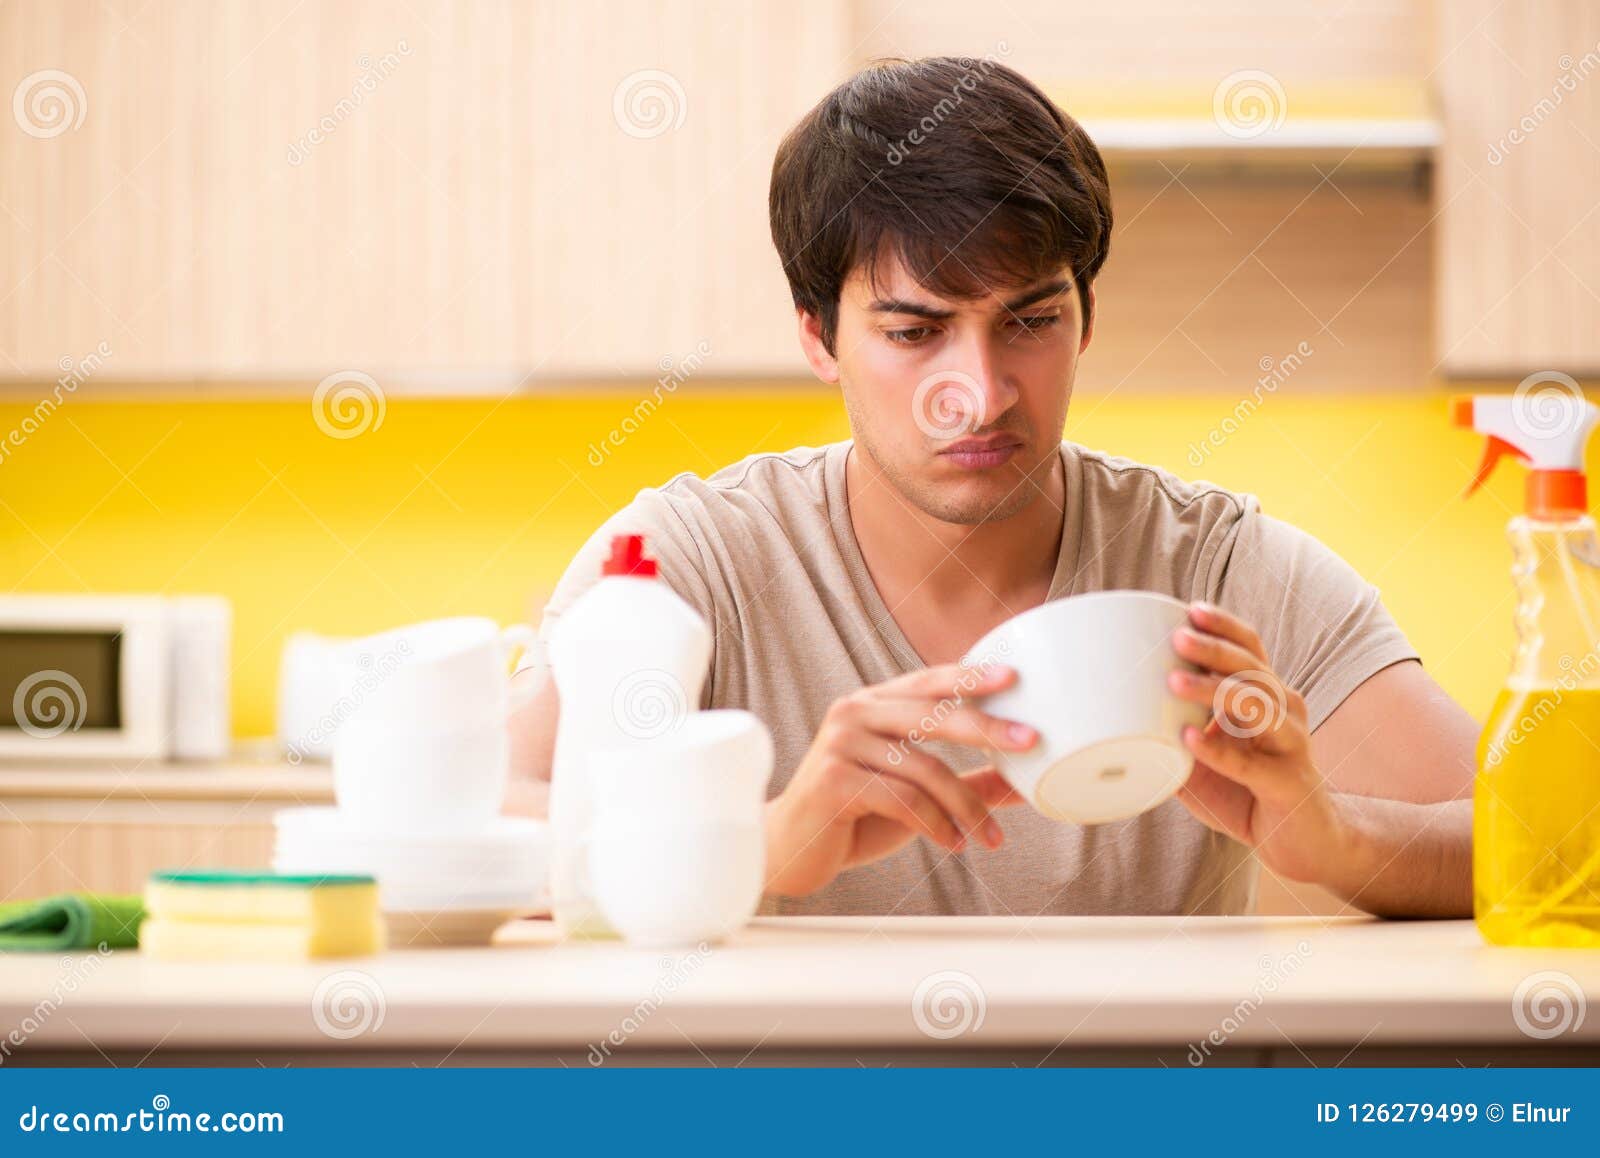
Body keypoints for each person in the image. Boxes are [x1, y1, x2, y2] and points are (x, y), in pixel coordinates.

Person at [508, 57, 1478, 919]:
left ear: (1086, 318)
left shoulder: (1218, 569)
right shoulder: (692, 563)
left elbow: (1553, 840)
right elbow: (488, 811)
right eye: (913, 332)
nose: (977, 397)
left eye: (1028, 320)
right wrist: (762, 840)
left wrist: (1339, 840)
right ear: (816, 335)